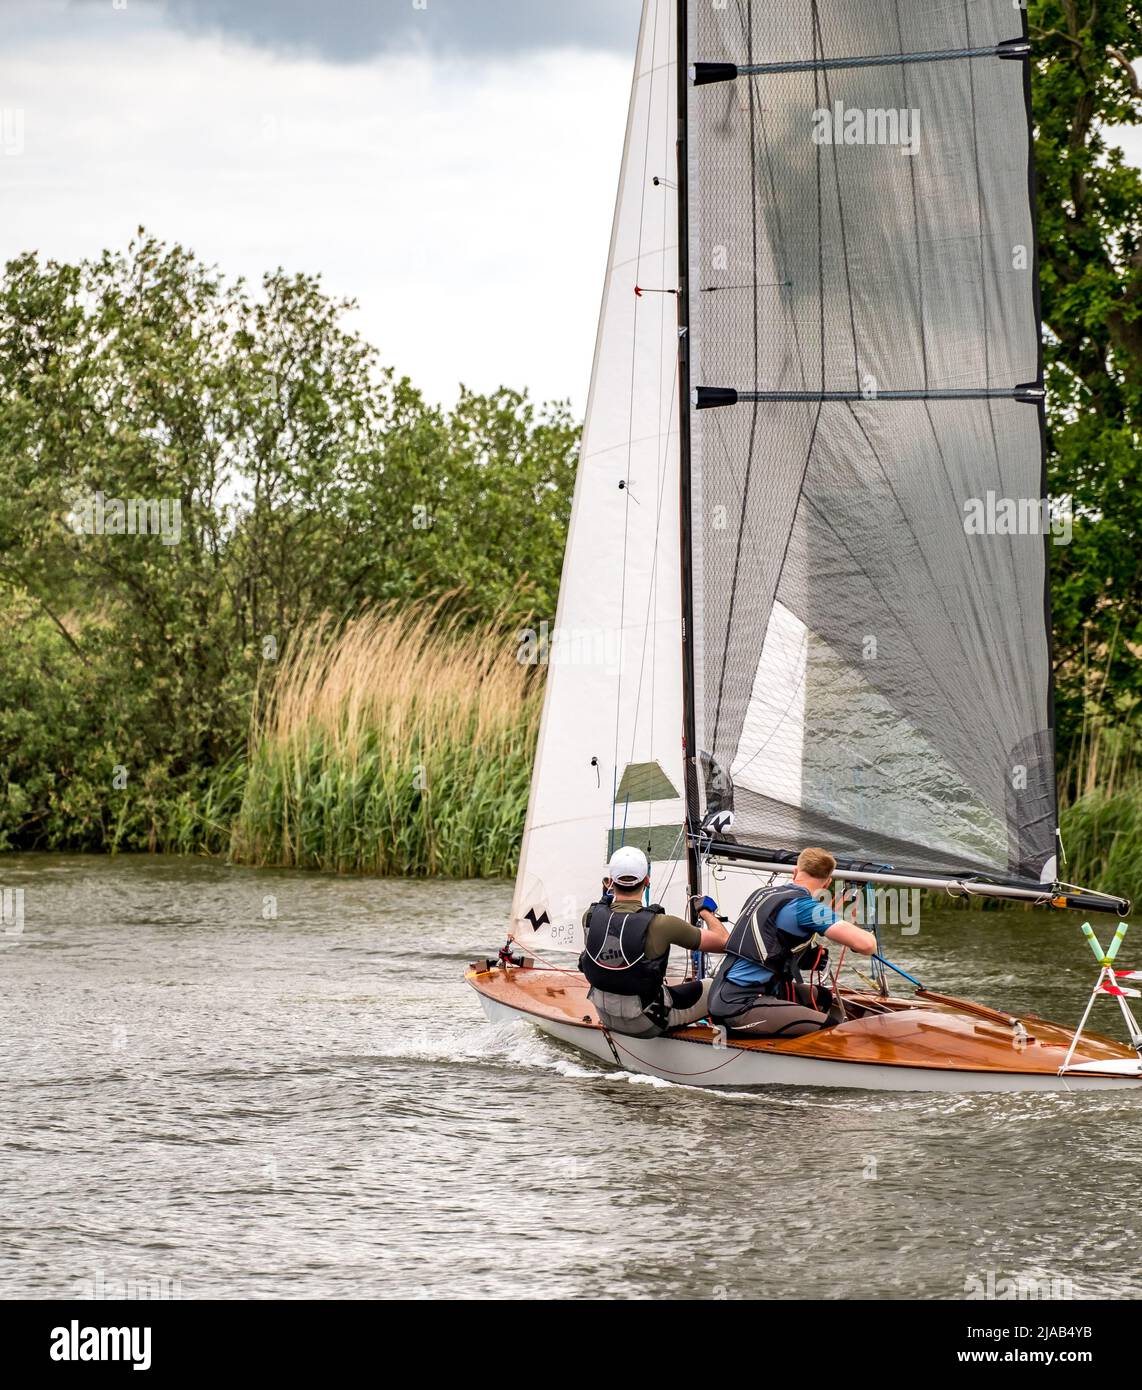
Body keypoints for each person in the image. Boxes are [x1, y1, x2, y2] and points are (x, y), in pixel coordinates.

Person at [708, 846, 877, 1039]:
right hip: (738, 1007)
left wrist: (802, 958)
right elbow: (866, 945)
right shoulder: (806, 908)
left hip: (723, 992)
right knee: (831, 1028)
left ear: (795, 872)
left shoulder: (761, 894)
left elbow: (767, 943)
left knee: (823, 997)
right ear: (828, 882)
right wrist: (868, 938)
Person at [579, 845, 729, 1038]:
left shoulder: (590, 917)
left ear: (610, 883)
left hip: (605, 1015)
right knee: (714, 986)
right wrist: (705, 911)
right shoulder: (662, 924)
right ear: (647, 881)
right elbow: (723, 941)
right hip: (646, 1023)